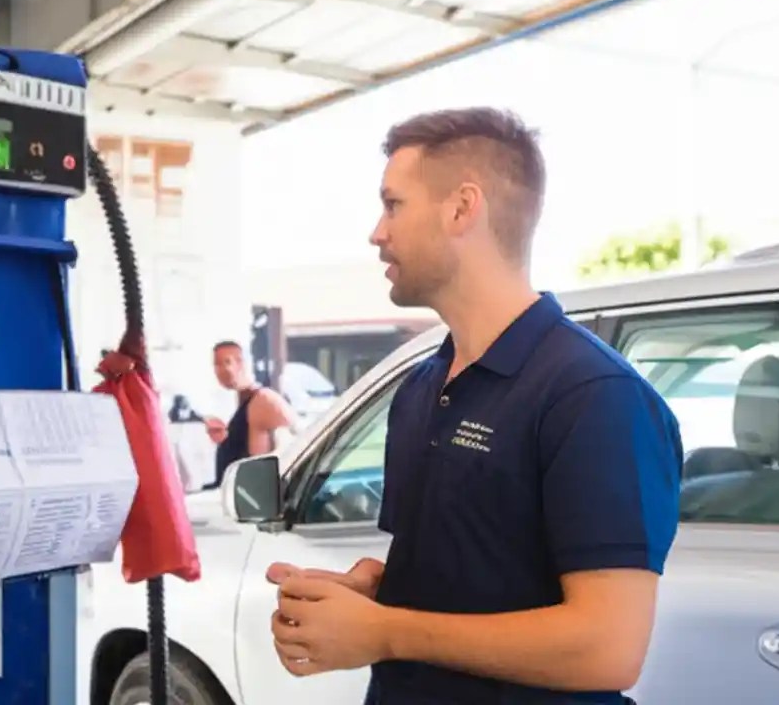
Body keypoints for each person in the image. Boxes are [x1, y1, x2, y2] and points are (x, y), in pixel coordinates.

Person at [266, 108, 682, 704]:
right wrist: (368, 598)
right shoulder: (421, 388)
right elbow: (474, 578)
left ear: (462, 208)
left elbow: (607, 649)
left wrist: (386, 632)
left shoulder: (593, 396)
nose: (376, 233)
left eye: (393, 205)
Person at [206, 340, 296, 486]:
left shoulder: (264, 399)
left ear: (241, 363)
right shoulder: (239, 400)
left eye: (226, 362)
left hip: (253, 492)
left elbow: (297, 435)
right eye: (217, 365)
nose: (220, 370)